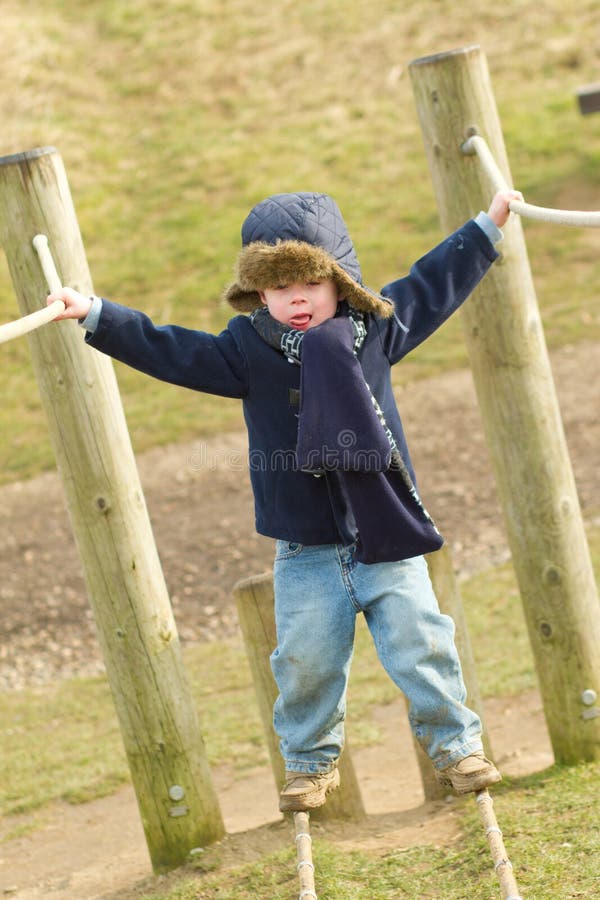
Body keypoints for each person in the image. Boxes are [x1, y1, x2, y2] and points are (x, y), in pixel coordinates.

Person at [48, 187, 522, 812]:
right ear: (256, 294)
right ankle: (309, 765)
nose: (296, 299)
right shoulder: (246, 351)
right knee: (304, 663)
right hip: (306, 552)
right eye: (277, 288)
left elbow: (433, 283)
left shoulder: (376, 329)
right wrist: (96, 314)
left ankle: (457, 749)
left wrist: (486, 227)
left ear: (340, 280)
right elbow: (172, 348)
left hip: (385, 537)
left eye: (310, 283)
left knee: (423, 644)